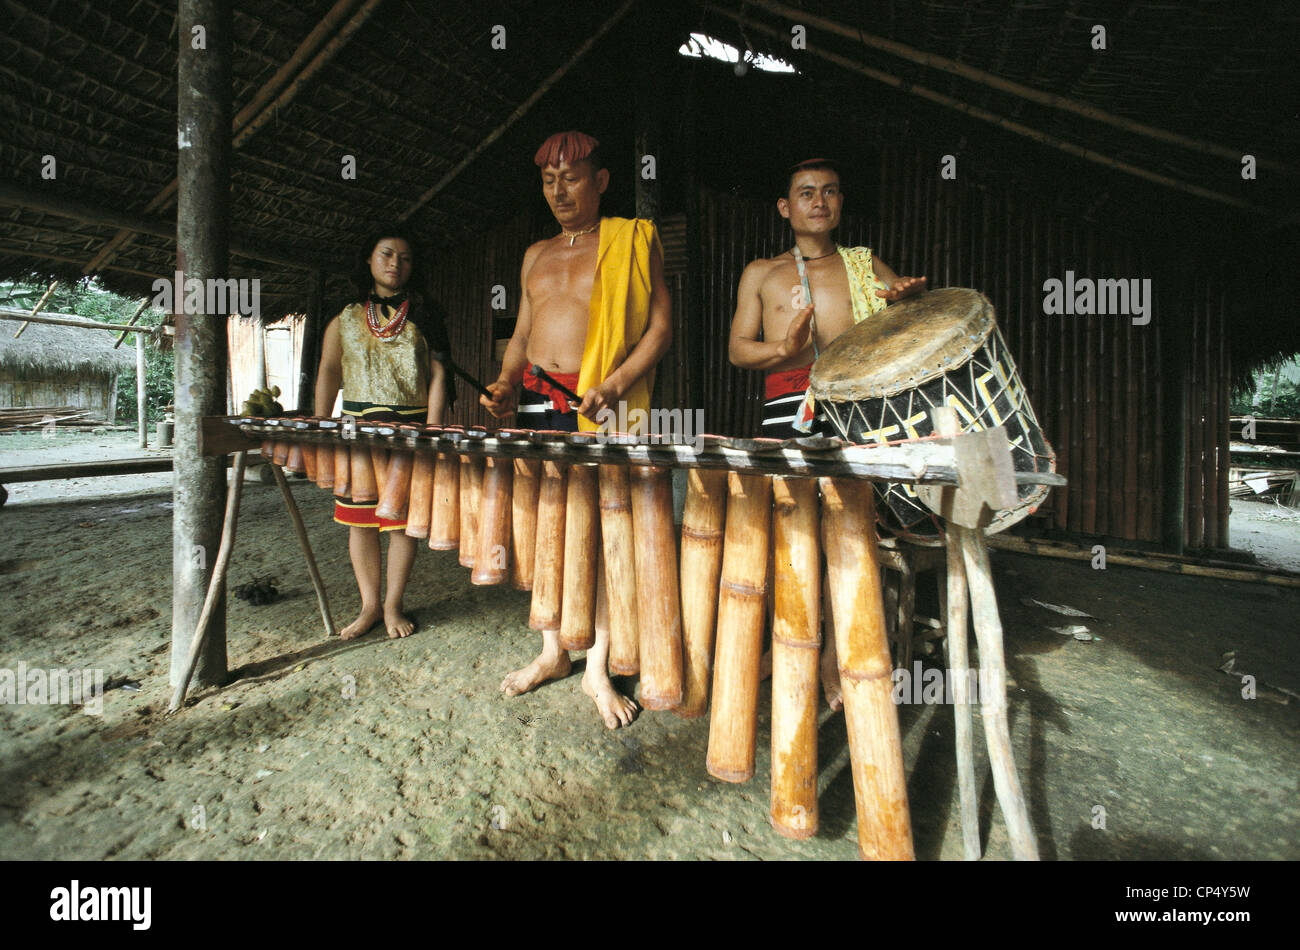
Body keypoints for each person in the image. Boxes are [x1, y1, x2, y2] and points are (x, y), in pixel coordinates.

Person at [481, 130, 672, 728]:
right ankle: (552, 651)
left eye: (571, 177)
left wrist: (615, 385)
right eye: (548, 180)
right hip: (540, 404)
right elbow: (521, 335)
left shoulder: (633, 240)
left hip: (603, 401)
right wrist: (507, 383)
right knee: (548, 527)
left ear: (601, 180)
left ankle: (599, 664)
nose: (559, 190)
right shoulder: (536, 254)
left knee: (604, 528)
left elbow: (660, 329)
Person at [728, 158, 926, 707]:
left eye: (831, 192)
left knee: (850, 531)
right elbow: (739, 349)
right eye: (807, 193)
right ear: (785, 208)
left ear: (840, 204)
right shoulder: (761, 273)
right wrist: (781, 350)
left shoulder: (864, 264)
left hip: (857, 410)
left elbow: (907, 329)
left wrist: (904, 299)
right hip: (786, 410)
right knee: (790, 531)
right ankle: (786, 642)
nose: (820, 201)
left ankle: (836, 654)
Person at [314, 226, 456, 640]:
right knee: (360, 521)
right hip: (356, 431)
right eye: (387, 254)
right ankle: (369, 606)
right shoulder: (346, 317)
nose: (396, 263)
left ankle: (393, 605)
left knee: (398, 523)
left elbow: (438, 374)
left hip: (409, 431)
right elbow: (329, 369)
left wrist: (431, 431)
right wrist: (320, 425)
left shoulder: (426, 314)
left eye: (405, 257)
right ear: (369, 260)